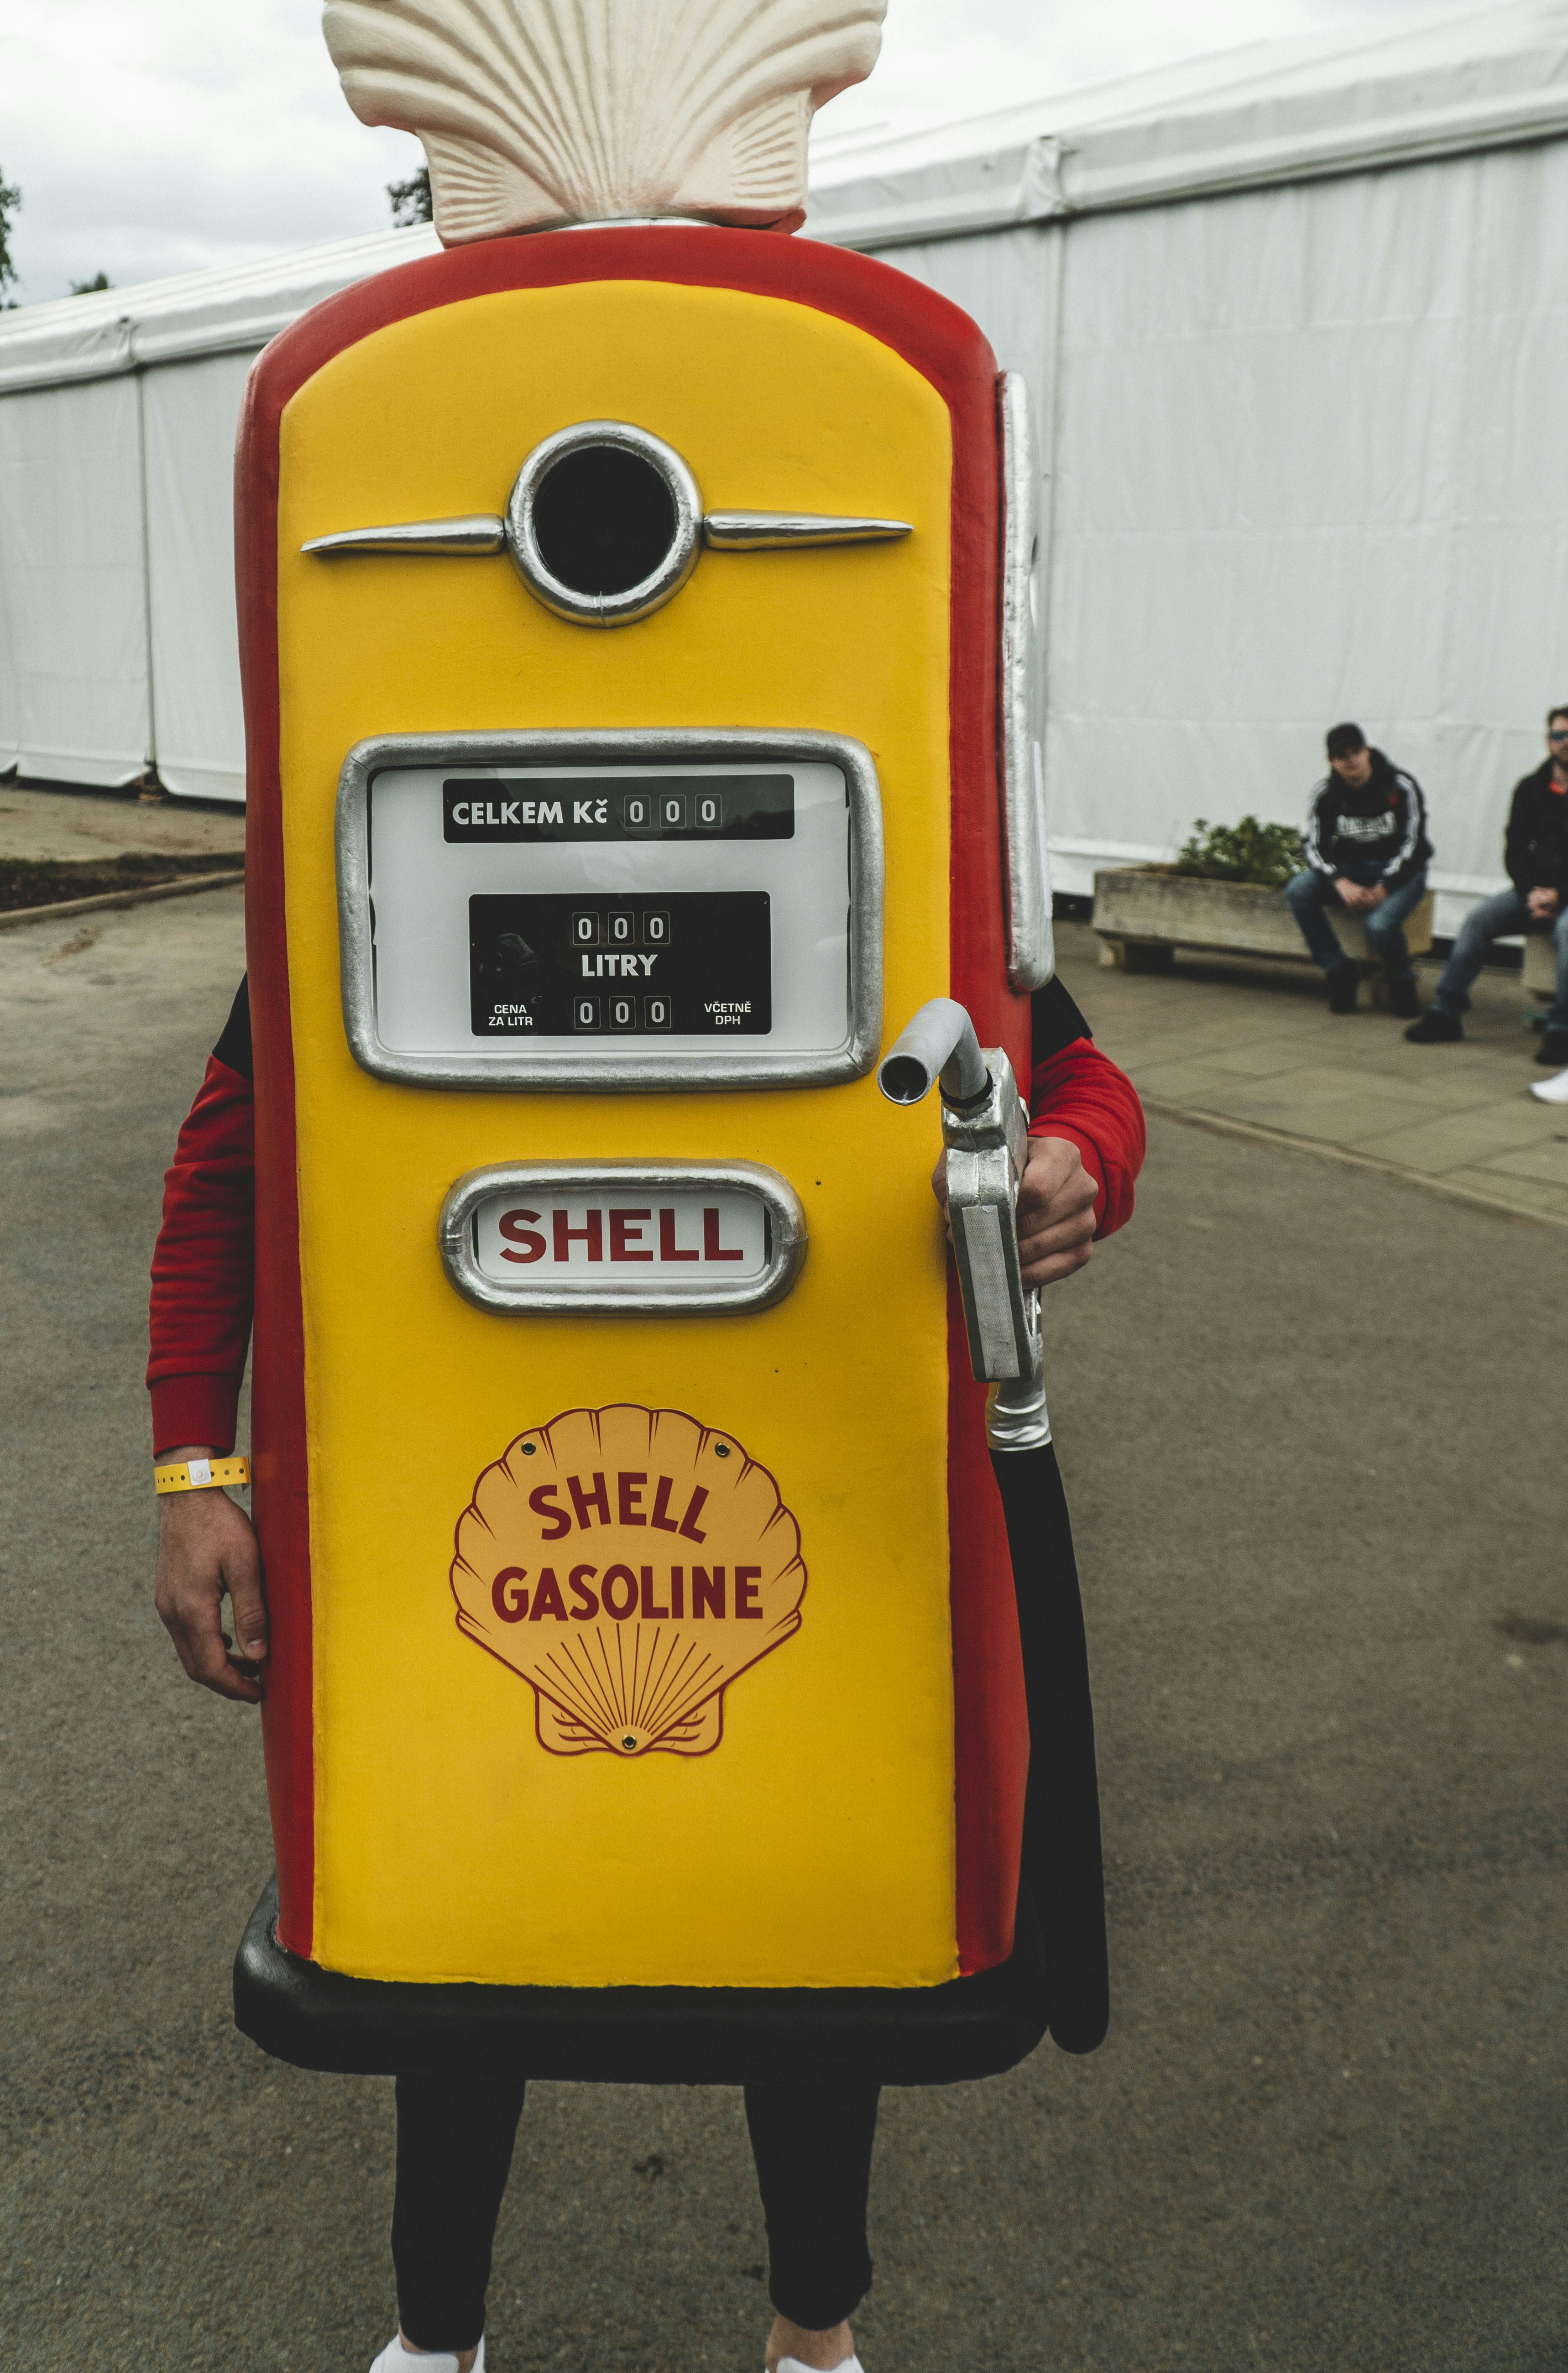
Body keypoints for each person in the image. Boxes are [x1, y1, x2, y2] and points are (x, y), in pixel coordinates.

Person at [147, 972, 1146, 2373]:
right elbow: (223, 1171)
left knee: (812, 1917)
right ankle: (436, 2326)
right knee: (449, 1902)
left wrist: (1072, 1159)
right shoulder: (339, 858)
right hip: (445, 1448)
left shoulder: (869, 782)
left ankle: (813, 2325)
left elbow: (1076, 1067)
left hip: (829, 1452)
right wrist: (196, 1469)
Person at [1406, 706, 1568, 1064]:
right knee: (1478, 920)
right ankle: (1446, 1013)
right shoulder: (1530, 788)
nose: (1566, 742)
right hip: (1535, 892)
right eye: (1559, 735)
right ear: (1548, 740)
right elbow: (1515, 849)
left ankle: (1561, 1031)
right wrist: (1530, 894)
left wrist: (1560, 895)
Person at [1283, 723, 1430, 1017]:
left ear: (1368, 752)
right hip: (1350, 871)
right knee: (1298, 891)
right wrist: (1340, 882)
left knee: (1380, 924)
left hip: (1402, 873)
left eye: (1356, 752)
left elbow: (1414, 843)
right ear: (1332, 762)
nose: (1351, 761)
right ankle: (1338, 969)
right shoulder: (1324, 794)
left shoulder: (1401, 786)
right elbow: (1314, 846)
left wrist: (1386, 886)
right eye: (1342, 756)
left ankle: (1402, 984)